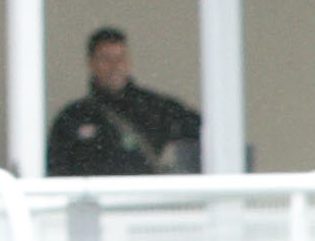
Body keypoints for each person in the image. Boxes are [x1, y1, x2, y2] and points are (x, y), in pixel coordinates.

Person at [47, 25, 204, 176]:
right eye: (106, 58)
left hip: (147, 200)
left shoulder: (155, 107)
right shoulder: (73, 118)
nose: (114, 66)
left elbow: (202, 131)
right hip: (96, 202)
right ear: (90, 63)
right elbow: (57, 171)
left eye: (120, 58)